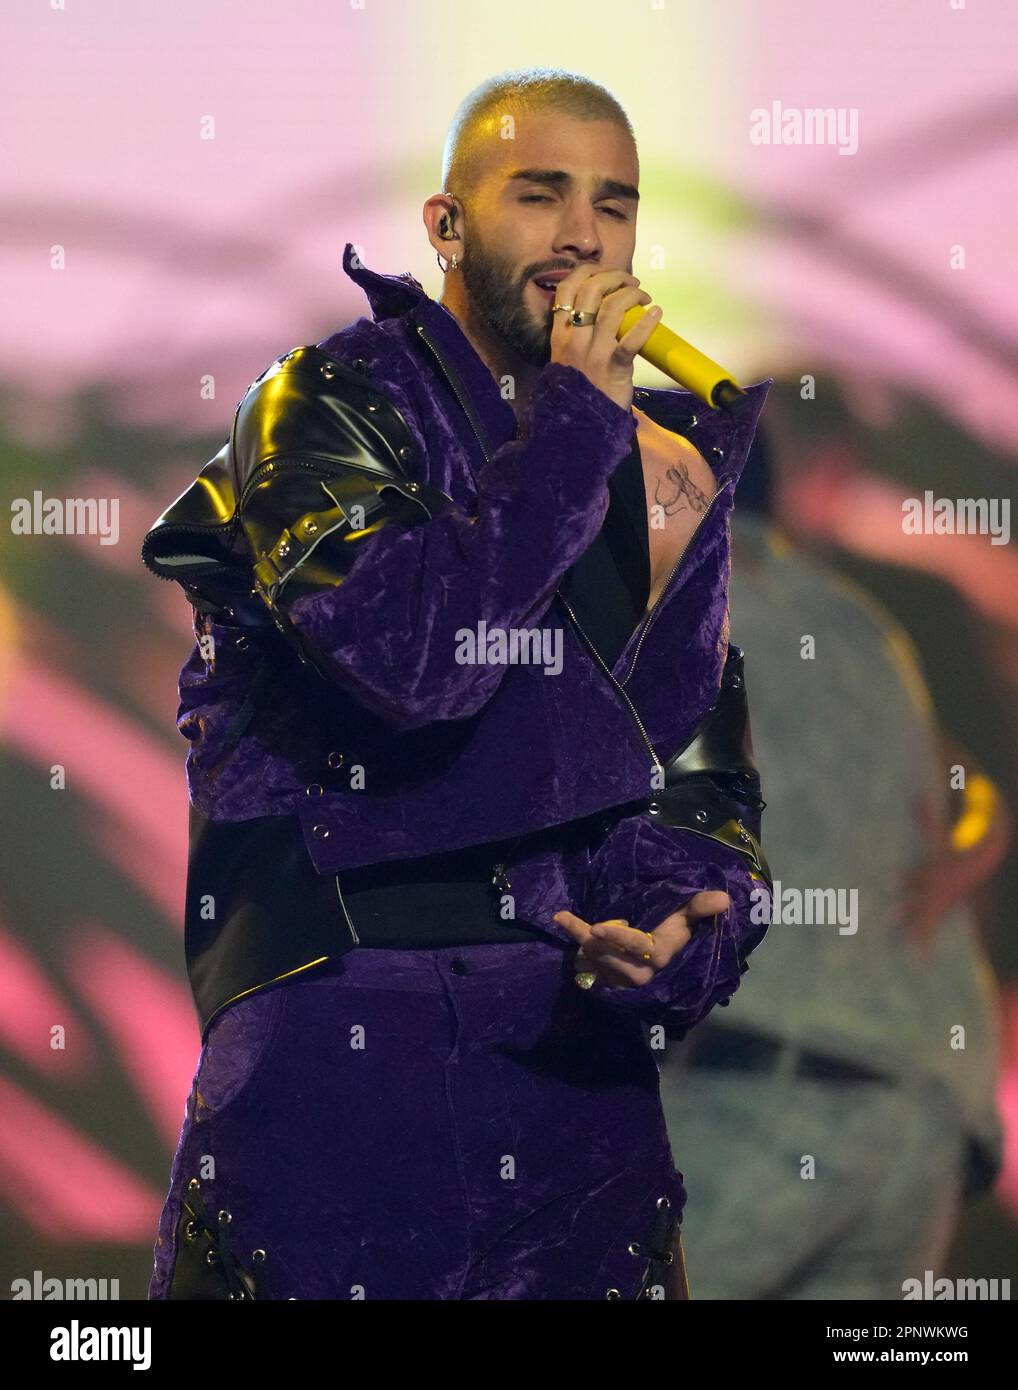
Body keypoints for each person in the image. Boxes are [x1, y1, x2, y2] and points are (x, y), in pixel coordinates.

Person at [141, 68, 773, 1301]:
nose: (585, 236)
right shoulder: (322, 404)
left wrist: (680, 936)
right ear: (445, 226)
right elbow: (414, 663)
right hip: (339, 1050)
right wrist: (582, 431)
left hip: (574, 1082)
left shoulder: (671, 475)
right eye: (539, 195)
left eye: (614, 205)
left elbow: (700, 780)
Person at [657, 427, 1007, 1300]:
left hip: (760, 1088)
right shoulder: (861, 624)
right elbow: (969, 790)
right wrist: (958, 865)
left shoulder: (662, 604)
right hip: (927, 1111)